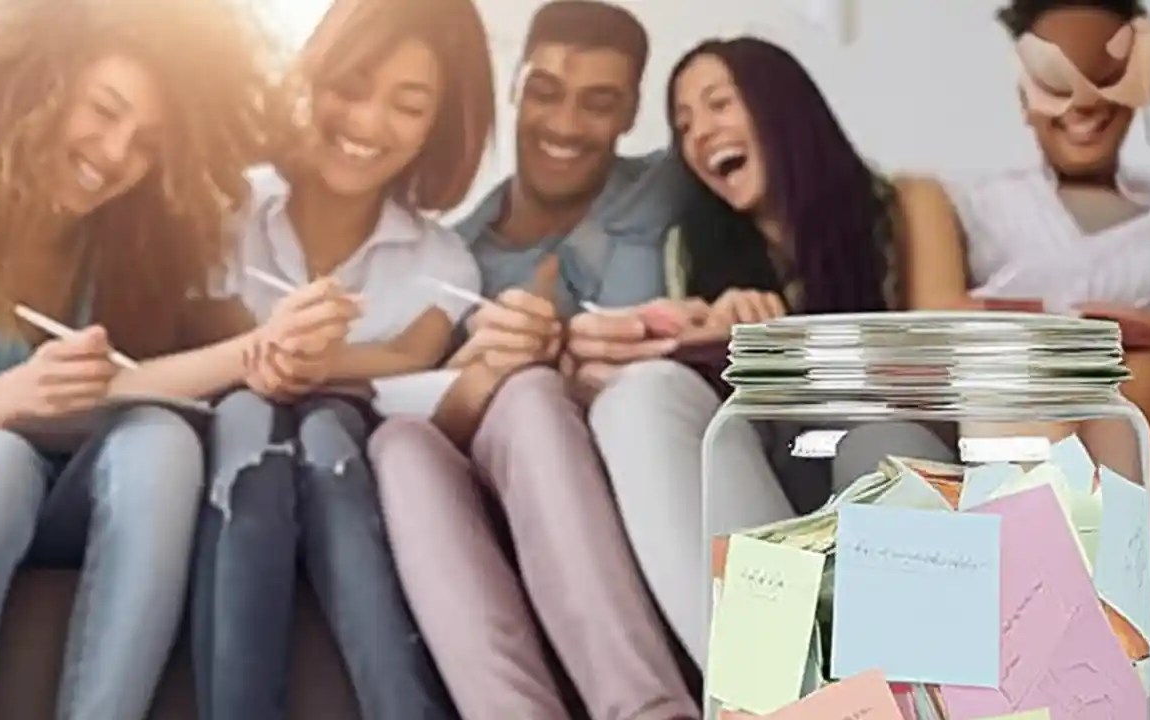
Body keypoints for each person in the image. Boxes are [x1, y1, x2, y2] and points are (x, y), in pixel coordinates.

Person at [0, 0, 273, 717]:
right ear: (35, 88)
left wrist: (259, 351)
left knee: (163, 440)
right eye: (103, 110)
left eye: (147, 141)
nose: (116, 155)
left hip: (65, 491)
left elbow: (124, 387)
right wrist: (15, 397)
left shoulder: (128, 239)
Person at [560, 37, 955, 666]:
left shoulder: (907, 204)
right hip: (774, 469)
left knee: (880, 447)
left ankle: (915, 696)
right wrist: (716, 334)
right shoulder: (691, 251)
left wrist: (789, 339)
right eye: (684, 124)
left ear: (781, 109)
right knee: (640, 399)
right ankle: (788, 697)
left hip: (888, 437)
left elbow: (949, 355)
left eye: (719, 103)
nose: (699, 134)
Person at [366, 2, 699, 718]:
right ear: (515, 87)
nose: (564, 125)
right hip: (511, 475)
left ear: (631, 111)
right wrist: (489, 364)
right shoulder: (451, 258)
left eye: (597, 103)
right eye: (545, 92)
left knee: (536, 394)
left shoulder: (674, 186)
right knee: (405, 439)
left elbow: (807, 191)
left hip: (638, 454)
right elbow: (433, 414)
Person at [187, 0, 495, 718]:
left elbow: (413, 359)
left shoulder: (441, 260)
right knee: (251, 411)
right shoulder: (224, 209)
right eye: (349, 86)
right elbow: (217, 333)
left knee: (329, 423)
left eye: (407, 105)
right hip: (231, 459)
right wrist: (286, 359)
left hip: (344, 464)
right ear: (312, 78)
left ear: (438, 126)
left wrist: (327, 367)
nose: (365, 123)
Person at [899, 0, 1150, 695]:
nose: (1085, 103)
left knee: (1146, 387)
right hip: (1004, 386)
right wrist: (1084, 332)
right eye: (1058, 82)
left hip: (1138, 392)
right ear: (1021, 92)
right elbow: (940, 316)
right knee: (1037, 383)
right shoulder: (954, 193)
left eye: (1106, 76)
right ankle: (1040, 684)